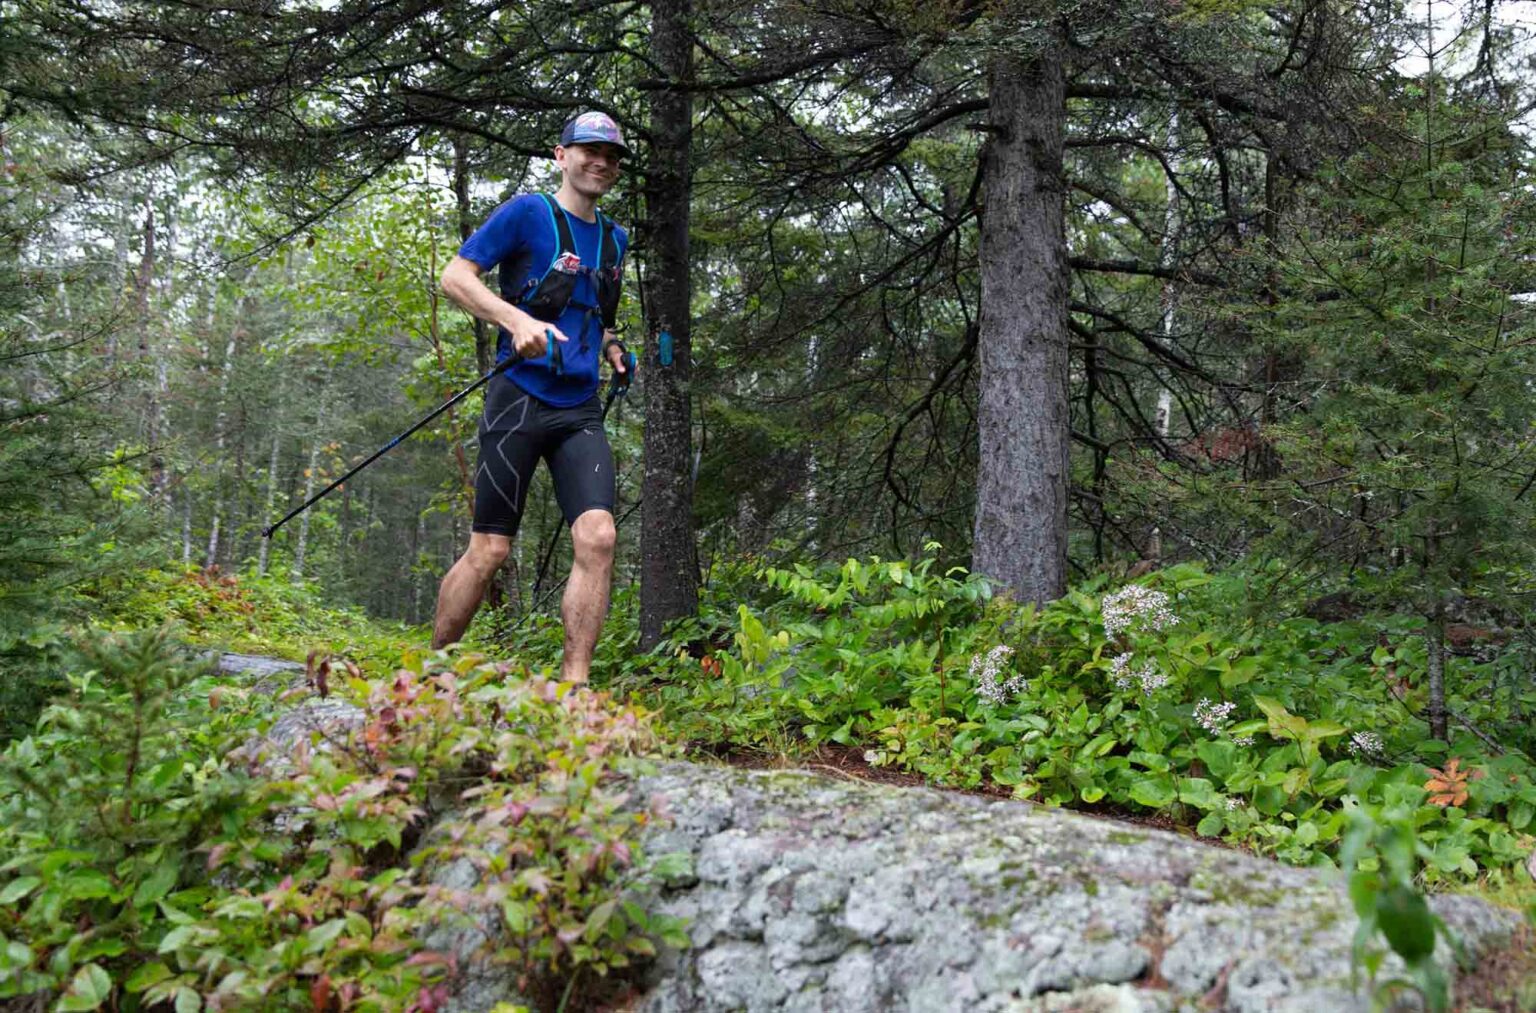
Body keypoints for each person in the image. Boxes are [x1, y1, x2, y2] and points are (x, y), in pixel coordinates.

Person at [432, 110, 633, 682]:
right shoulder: (527, 213)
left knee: (598, 536)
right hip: (518, 398)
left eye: (612, 156)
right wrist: (513, 319)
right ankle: (436, 666)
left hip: (578, 410)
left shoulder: (615, 239)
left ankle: (576, 689)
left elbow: (600, 314)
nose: (600, 162)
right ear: (560, 155)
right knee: (490, 551)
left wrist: (615, 349)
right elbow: (456, 276)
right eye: (589, 150)